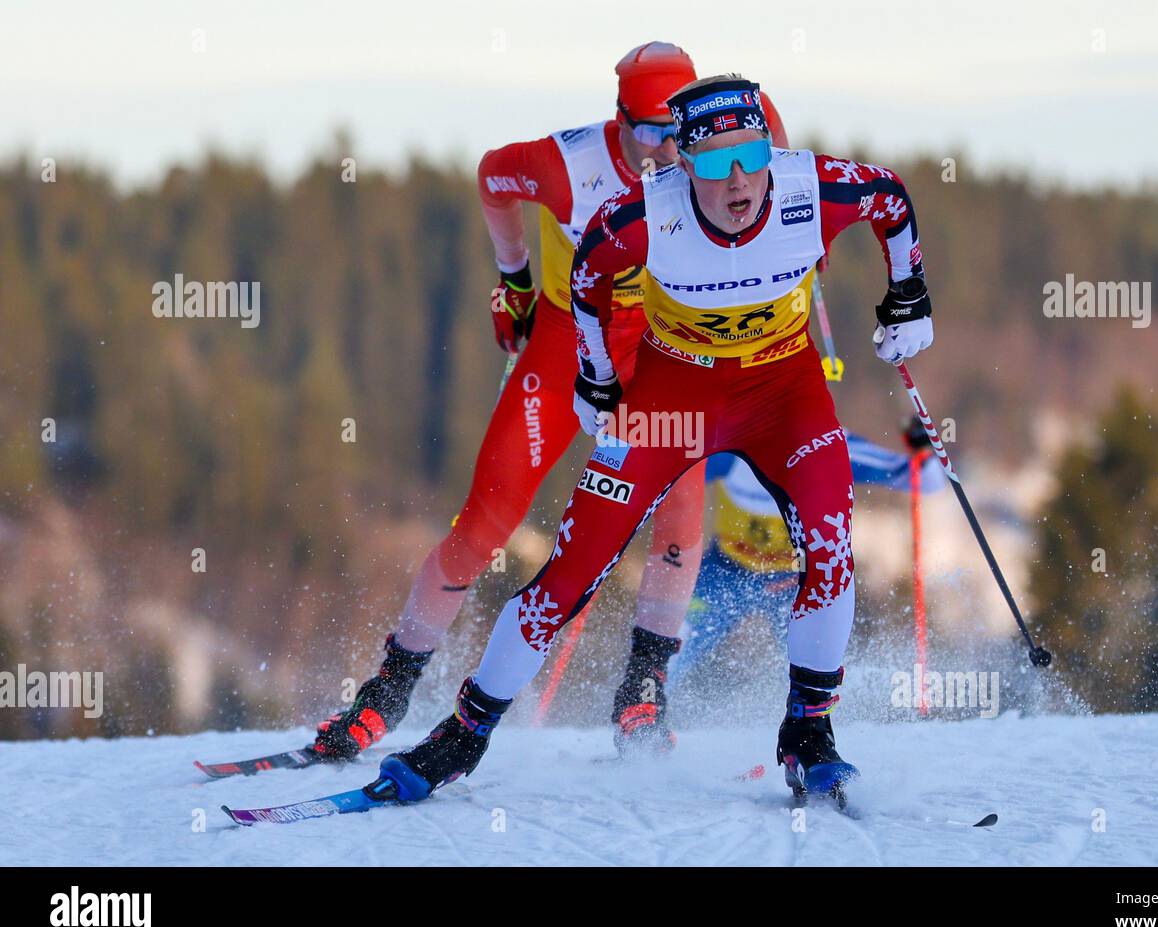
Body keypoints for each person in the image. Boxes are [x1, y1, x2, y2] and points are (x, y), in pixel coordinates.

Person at [371, 73, 934, 805]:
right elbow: (586, 284)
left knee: (830, 550)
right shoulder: (637, 218)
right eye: (711, 163)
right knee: (571, 571)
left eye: (751, 156)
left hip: (783, 399)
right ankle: (463, 734)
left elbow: (891, 198)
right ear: (681, 164)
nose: (737, 181)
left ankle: (810, 731)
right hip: (673, 403)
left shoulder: (810, 188)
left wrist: (908, 295)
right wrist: (597, 380)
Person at [311, 46, 789, 760]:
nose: (666, 150)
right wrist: (514, 279)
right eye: (648, 131)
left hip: (665, 348)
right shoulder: (567, 165)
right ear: (619, 117)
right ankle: (389, 687)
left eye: (676, 130)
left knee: (681, 513)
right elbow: (491, 179)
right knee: (484, 525)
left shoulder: (723, 132)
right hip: (569, 343)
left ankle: (643, 689)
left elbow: (785, 179)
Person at [669, 426, 944, 692]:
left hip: (797, 580)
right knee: (669, 647)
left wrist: (923, 450)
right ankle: (645, 711)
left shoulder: (831, 447)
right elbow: (649, 462)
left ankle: (832, 724)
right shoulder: (729, 444)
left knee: (822, 669)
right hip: (728, 571)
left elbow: (928, 480)